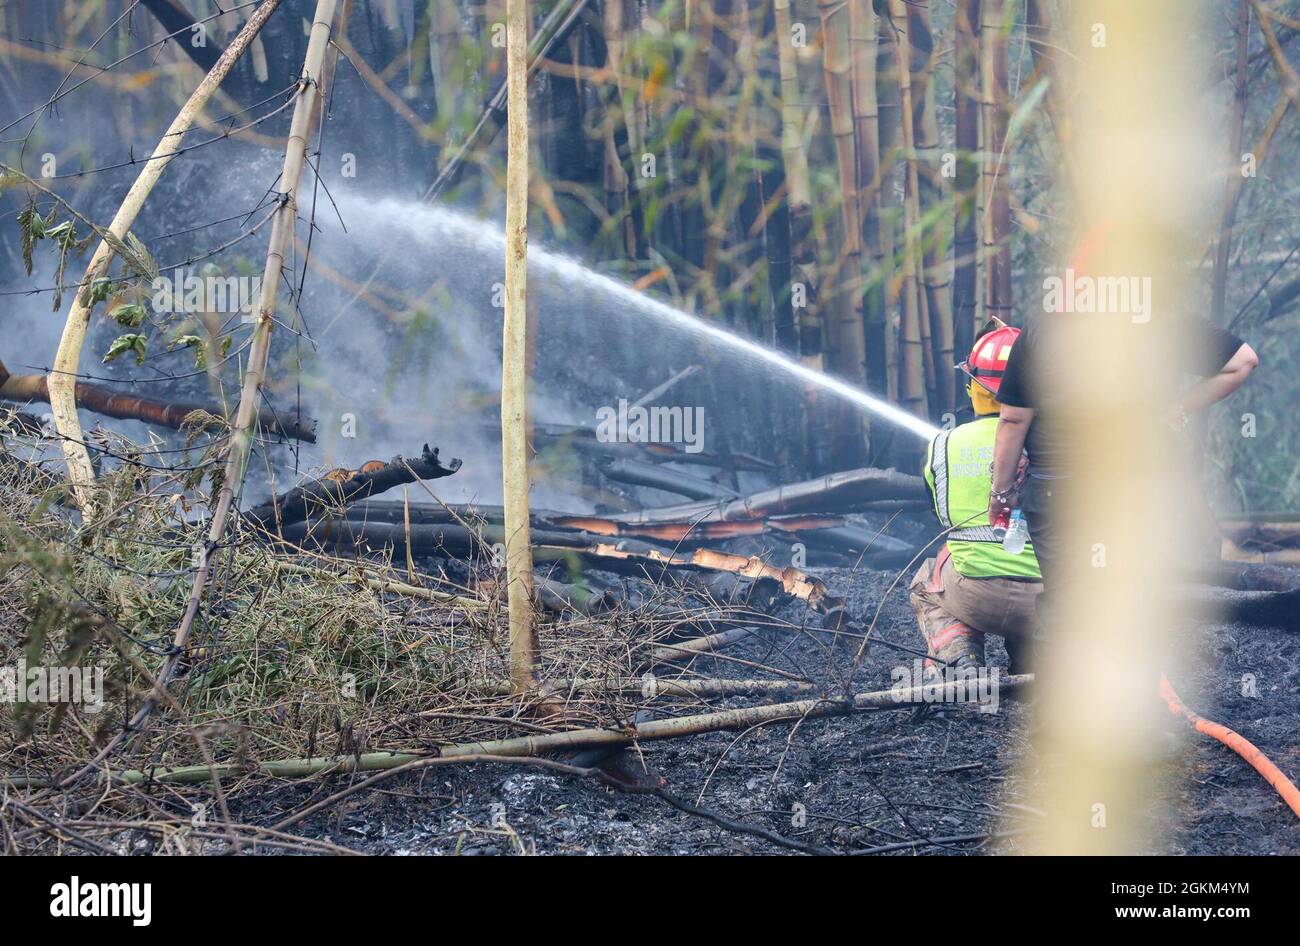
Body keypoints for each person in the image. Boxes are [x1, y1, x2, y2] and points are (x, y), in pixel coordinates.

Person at [989, 315, 1258, 624]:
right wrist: (1176, 409)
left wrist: (1002, 492)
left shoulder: (1045, 326)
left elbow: (1012, 420)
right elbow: (1243, 361)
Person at [910, 322, 1041, 678]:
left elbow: (942, 513)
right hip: (1047, 598)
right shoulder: (1057, 444)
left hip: (973, 594)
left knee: (927, 581)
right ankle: (1035, 660)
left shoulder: (944, 443)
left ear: (975, 387)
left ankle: (959, 657)